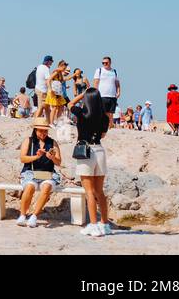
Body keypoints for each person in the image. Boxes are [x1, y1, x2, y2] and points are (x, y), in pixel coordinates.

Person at [69, 88, 112, 237]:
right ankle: (105, 224)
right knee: (99, 191)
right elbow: (103, 135)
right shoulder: (104, 117)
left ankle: (93, 225)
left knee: (89, 191)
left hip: (86, 152)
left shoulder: (81, 113)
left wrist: (83, 93)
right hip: (99, 150)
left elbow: (69, 104)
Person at [16, 117, 62, 228]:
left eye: (45, 130)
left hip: (48, 173)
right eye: (41, 130)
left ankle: (34, 216)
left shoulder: (52, 142)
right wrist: (37, 156)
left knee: (46, 187)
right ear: (35, 130)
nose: (43, 133)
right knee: (29, 187)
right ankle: (22, 215)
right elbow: (22, 159)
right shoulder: (28, 141)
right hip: (30, 172)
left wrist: (51, 158)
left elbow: (59, 162)